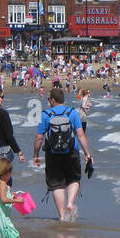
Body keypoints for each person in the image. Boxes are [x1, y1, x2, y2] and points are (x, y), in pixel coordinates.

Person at [33, 86, 92, 222]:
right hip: (71, 152)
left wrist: (35, 155)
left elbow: (39, 137)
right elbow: (80, 134)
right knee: (74, 179)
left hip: (53, 154)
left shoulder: (45, 115)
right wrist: (87, 153)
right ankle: (70, 203)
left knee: (56, 185)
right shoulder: (72, 113)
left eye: (49, 99)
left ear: (53, 100)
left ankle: (61, 215)